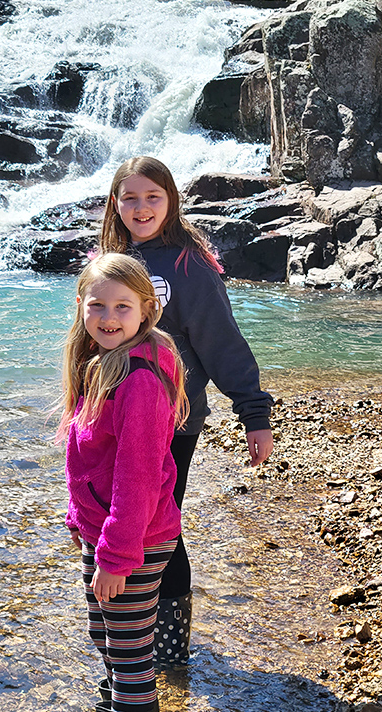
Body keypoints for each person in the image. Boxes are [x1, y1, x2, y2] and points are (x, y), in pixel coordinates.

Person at [98, 156, 274, 666]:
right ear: (116, 203)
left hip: (171, 418)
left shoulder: (188, 265)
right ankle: (131, 630)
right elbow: (87, 342)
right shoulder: (110, 257)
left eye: (153, 196)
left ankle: (170, 649)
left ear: (171, 200)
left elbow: (221, 343)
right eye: (130, 197)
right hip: (111, 416)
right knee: (116, 514)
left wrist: (254, 413)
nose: (141, 207)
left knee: (157, 523)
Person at [58, 253, 188, 712]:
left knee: (129, 653)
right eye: (97, 305)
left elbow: (136, 478)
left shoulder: (138, 381)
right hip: (112, 532)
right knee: (111, 640)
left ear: (146, 311)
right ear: (82, 308)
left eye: (122, 307)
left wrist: (113, 558)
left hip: (132, 539)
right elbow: (94, 463)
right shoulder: (107, 360)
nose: (108, 317)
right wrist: (79, 521)